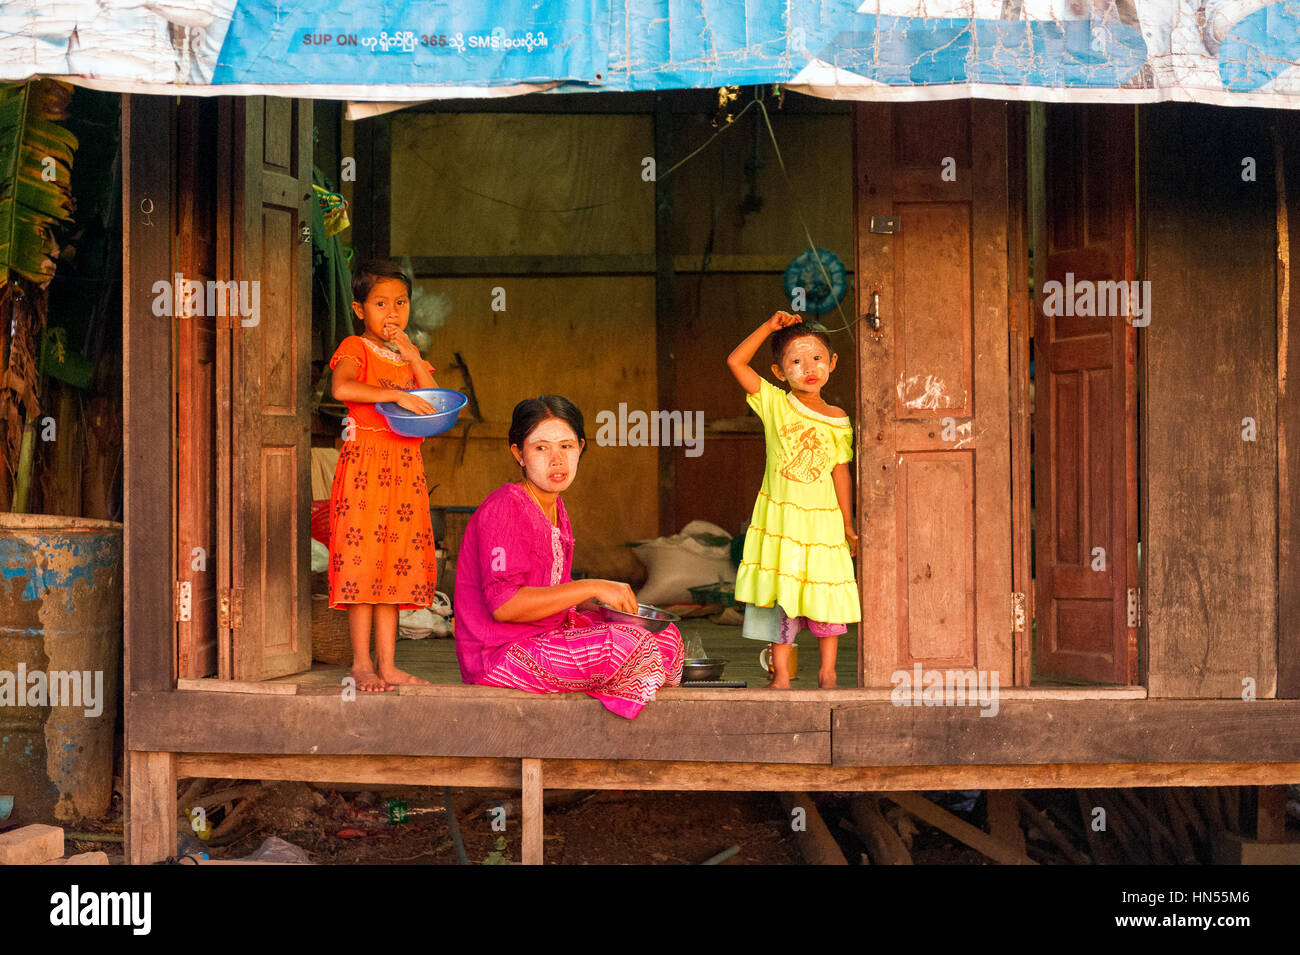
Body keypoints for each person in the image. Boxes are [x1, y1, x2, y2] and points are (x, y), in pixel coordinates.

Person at [454, 396, 685, 719]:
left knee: (666, 640)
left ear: (581, 448)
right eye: (540, 448)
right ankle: (619, 706)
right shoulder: (505, 506)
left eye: (566, 446)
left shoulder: (555, 509)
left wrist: (600, 603)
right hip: (501, 655)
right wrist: (593, 586)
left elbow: (555, 591)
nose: (556, 460)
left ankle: (617, 684)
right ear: (518, 454)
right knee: (631, 647)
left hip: (548, 637)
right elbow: (506, 606)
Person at [727, 311, 861, 688]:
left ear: (832, 363)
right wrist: (768, 327)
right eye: (796, 361)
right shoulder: (774, 404)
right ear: (779, 372)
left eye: (817, 357)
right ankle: (782, 676)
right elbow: (735, 361)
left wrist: (848, 524)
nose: (809, 367)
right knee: (781, 594)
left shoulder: (838, 418)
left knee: (825, 593)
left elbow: (840, 471)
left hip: (823, 522)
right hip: (781, 522)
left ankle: (828, 672)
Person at [327, 260, 440, 693]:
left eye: (400, 303)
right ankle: (361, 665)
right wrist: (395, 395)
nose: (392, 313)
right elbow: (343, 389)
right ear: (359, 309)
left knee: (394, 565)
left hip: (405, 468)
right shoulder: (356, 347)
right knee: (363, 561)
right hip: (365, 468)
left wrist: (412, 356)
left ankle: (388, 665)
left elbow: (431, 399)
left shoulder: (406, 355)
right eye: (380, 304)